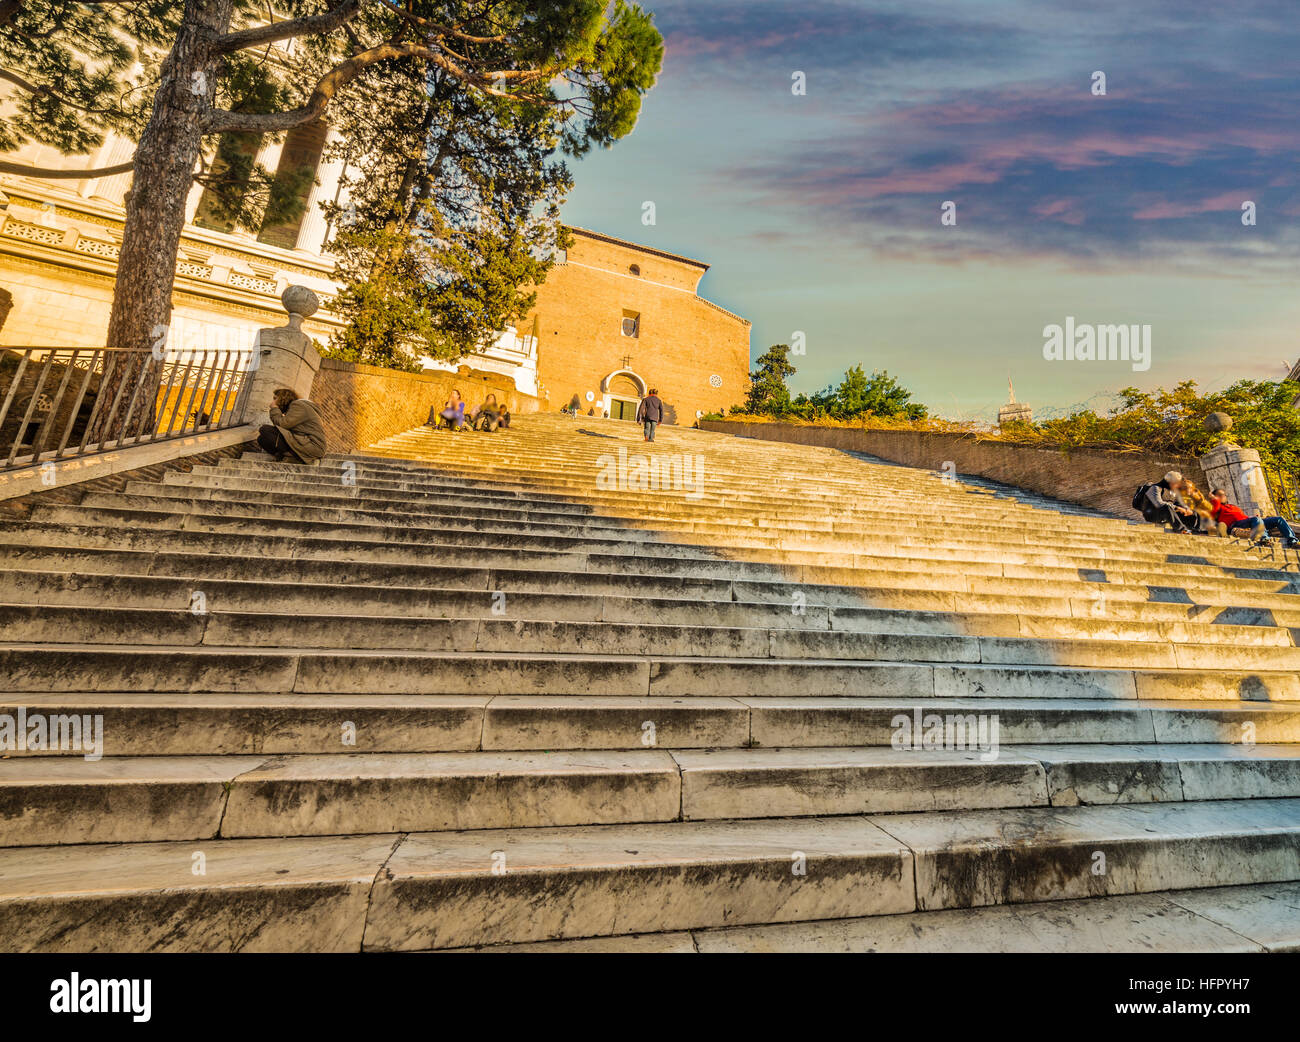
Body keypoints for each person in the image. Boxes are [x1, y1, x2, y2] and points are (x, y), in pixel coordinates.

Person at [1210, 488, 1300, 549]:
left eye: (1224, 495)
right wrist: (1213, 499)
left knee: (1279, 519)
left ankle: (1293, 541)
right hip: (1235, 525)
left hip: (1249, 522)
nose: (1223, 496)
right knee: (1255, 520)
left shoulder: (1232, 506)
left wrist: (1256, 519)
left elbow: (1244, 517)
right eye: (1220, 495)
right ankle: (1264, 539)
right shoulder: (1215, 507)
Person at [257, 388, 326, 464]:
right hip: (305, 443)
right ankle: (290, 456)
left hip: (313, 446)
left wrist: (274, 408)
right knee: (262, 439)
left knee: (265, 430)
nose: (272, 402)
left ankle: (292, 457)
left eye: (275, 398)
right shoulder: (295, 408)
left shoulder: (298, 405)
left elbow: (282, 424)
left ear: (283, 398)